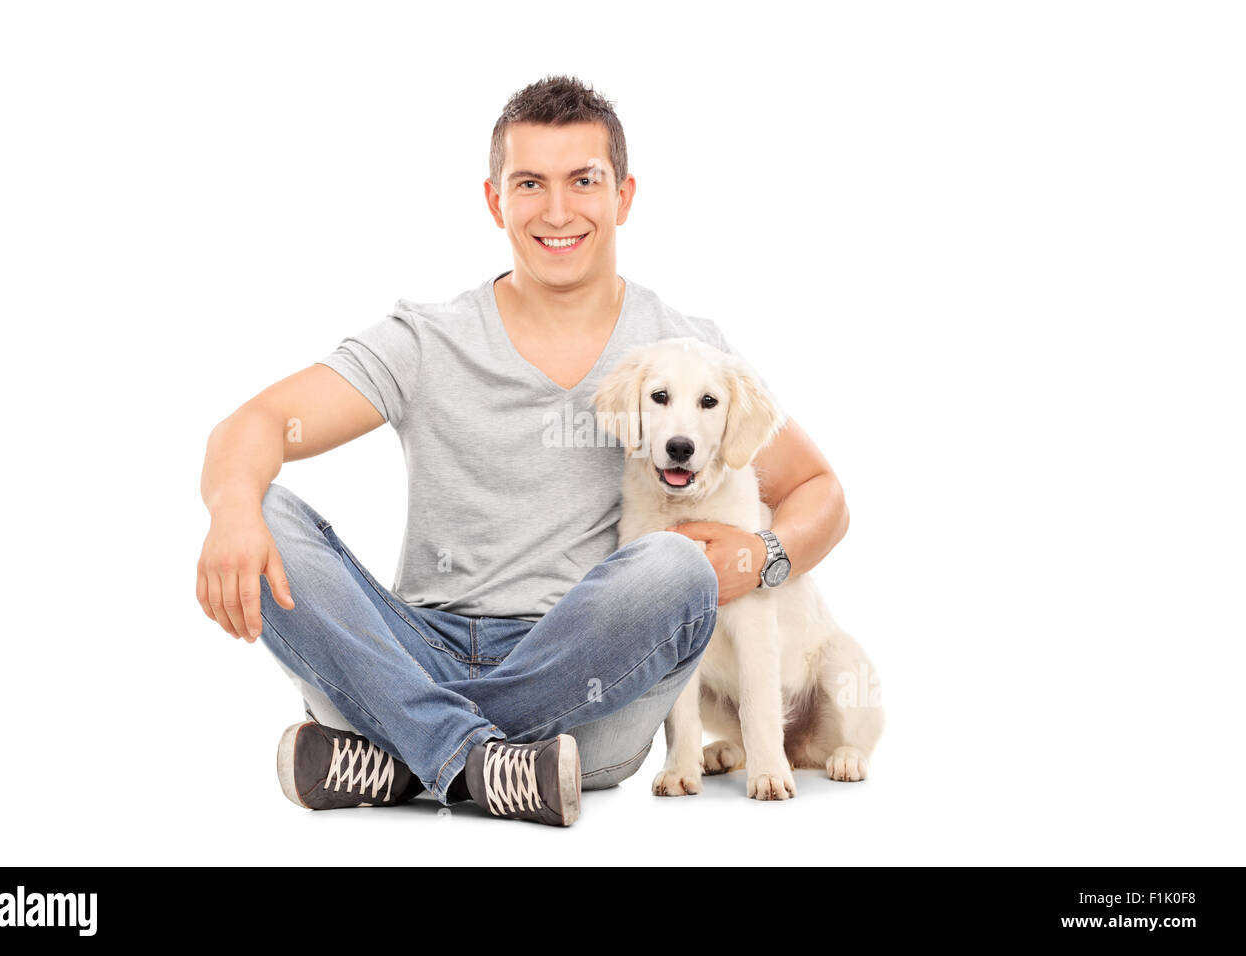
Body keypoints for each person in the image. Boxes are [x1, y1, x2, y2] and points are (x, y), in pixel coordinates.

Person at [195, 74, 848, 827]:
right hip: (422, 649)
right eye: (530, 182)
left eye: (584, 181)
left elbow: (820, 490)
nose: (559, 210)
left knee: (673, 564)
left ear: (624, 197)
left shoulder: (686, 351)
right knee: (264, 506)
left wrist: (760, 557)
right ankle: (477, 766)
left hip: (587, 685)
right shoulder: (426, 338)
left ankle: (404, 753)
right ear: (495, 200)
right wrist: (232, 510)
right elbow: (254, 424)